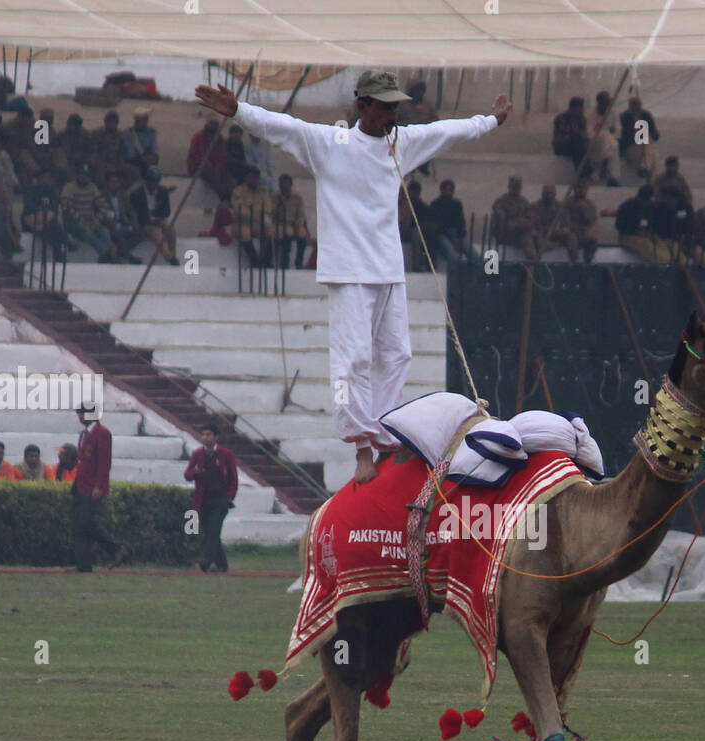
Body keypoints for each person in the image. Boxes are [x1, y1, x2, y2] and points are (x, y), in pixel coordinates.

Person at [197, 68, 509, 484]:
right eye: (384, 107)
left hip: (388, 269)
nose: (392, 116)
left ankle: (384, 436)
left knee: (398, 355)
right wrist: (238, 111)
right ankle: (362, 446)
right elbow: (282, 127)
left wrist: (489, 121)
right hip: (348, 271)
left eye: (395, 108)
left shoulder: (402, 143)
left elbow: (446, 132)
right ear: (363, 106)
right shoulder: (332, 144)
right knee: (354, 360)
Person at [71, 402, 125, 572]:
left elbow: (104, 462)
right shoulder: (84, 434)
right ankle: (84, 564)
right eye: (79, 413)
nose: (80, 417)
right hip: (81, 486)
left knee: (87, 522)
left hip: (93, 487)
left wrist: (99, 486)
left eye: (83, 413)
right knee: (80, 525)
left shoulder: (102, 433)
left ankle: (116, 548)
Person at [185, 423, 239, 573]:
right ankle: (222, 565)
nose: (205, 438)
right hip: (203, 499)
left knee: (214, 530)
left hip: (221, 499)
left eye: (208, 435)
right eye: (203, 435)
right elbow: (187, 475)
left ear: (216, 437)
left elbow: (233, 478)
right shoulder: (197, 454)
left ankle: (206, 561)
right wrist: (195, 471)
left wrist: (229, 496)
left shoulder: (226, 454)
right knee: (209, 532)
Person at [62, 163, 118, 262]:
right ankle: (106, 255)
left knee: (105, 232)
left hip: (91, 220)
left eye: (86, 176)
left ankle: (106, 256)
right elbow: (67, 207)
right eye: (82, 175)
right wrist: (82, 220)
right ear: (77, 176)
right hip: (73, 222)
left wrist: (96, 219)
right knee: (88, 233)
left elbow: (104, 206)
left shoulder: (92, 187)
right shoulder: (69, 187)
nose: (84, 178)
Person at [128, 167, 178, 265]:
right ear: (146, 181)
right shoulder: (136, 194)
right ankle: (168, 256)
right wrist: (149, 221)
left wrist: (158, 218)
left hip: (158, 220)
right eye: (151, 182)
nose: (153, 185)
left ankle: (173, 254)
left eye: (156, 182)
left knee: (170, 228)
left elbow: (166, 212)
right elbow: (135, 214)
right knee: (156, 233)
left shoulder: (163, 192)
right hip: (144, 224)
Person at [608, 184, 667, 263]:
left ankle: (669, 261)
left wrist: (649, 231)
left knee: (661, 245)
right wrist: (636, 231)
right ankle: (662, 264)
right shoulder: (627, 206)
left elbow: (651, 223)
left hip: (646, 235)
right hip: (628, 236)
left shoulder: (650, 207)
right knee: (647, 246)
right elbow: (620, 225)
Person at [231, 165, 275, 268]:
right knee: (245, 233)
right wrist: (256, 215)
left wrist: (262, 216)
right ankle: (255, 261)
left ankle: (266, 261)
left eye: (256, 177)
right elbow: (239, 209)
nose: (254, 180)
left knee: (270, 230)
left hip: (258, 223)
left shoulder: (264, 191)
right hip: (243, 223)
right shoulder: (238, 191)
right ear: (246, 178)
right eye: (251, 177)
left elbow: (268, 207)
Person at [528, 183, 578, 263]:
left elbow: (566, 225)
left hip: (556, 234)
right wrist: (544, 230)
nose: (548, 196)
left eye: (550, 193)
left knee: (572, 237)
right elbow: (533, 225)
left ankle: (574, 261)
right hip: (542, 234)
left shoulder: (561, 207)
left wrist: (562, 230)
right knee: (534, 236)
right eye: (546, 193)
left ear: (555, 195)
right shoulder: (535, 207)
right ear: (542, 195)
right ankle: (546, 250)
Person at [491, 174, 536, 260]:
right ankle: (532, 264)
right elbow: (503, 220)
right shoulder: (501, 201)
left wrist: (528, 223)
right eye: (514, 186)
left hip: (520, 233)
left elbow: (530, 217)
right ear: (509, 186)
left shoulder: (524, 201)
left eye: (518, 187)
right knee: (527, 239)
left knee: (535, 235)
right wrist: (518, 224)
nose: (516, 189)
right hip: (507, 235)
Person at [187, 119, 232, 202]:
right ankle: (223, 198)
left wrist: (218, 167)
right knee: (214, 178)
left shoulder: (220, 141)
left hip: (214, 168)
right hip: (197, 167)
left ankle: (229, 197)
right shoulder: (198, 138)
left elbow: (222, 157)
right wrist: (211, 167)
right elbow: (198, 157)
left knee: (228, 177)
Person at [429, 179, 470, 268]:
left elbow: (461, 223)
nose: (448, 192)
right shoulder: (435, 205)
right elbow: (436, 225)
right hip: (442, 235)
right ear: (442, 190)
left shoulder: (457, 204)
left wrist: (459, 237)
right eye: (446, 190)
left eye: (450, 190)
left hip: (457, 235)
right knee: (452, 254)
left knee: (472, 252)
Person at [273, 173, 309, 269]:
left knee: (302, 233)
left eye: (286, 184)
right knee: (286, 233)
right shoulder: (276, 197)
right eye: (282, 184)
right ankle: (285, 262)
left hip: (294, 223)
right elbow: (272, 214)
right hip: (280, 224)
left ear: (291, 184)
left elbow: (301, 214)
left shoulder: (297, 198)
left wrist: (299, 225)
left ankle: (299, 261)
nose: (284, 186)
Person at [583, 90, 620, 186]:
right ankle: (606, 168)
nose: (606, 105)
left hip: (610, 141)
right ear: (599, 102)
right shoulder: (590, 114)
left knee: (612, 144)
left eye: (608, 102)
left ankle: (612, 176)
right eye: (604, 102)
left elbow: (618, 131)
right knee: (606, 139)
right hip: (594, 142)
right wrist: (601, 133)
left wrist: (610, 134)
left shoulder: (613, 113)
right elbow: (589, 132)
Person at [618, 94, 659, 179]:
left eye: (637, 104)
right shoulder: (624, 117)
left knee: (649, 149)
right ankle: (643, 168)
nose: (635, 107)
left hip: (645, 142)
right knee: (643, 153)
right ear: (630, 105)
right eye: (633, 104)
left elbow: (654, 133)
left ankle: (645, 168)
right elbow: (624, 136)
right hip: (631, 145)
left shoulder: (646, 115)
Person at [564, 181, 599, 265]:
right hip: (571, 232)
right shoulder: (568, 203)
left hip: (584, 233)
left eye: (583, 188)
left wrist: (585, 210)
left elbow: (592, 220)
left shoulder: (590, 204)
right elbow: (564, 219)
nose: (580, 190)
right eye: (578, 188)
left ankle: (587, 262)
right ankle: (574, 262)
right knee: (572, 238)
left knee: (593, 241)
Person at [552, 97, 588, 171]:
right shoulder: (561, 118)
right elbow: (561, 136)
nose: (582, 110)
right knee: (576, 141)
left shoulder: (581, 119)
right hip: (562, 146)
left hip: (576, 146)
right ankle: (582, 174)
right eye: (581, 108)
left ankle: (583, 173)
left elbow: (583, 133)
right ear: (574, 108)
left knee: (582, 144)